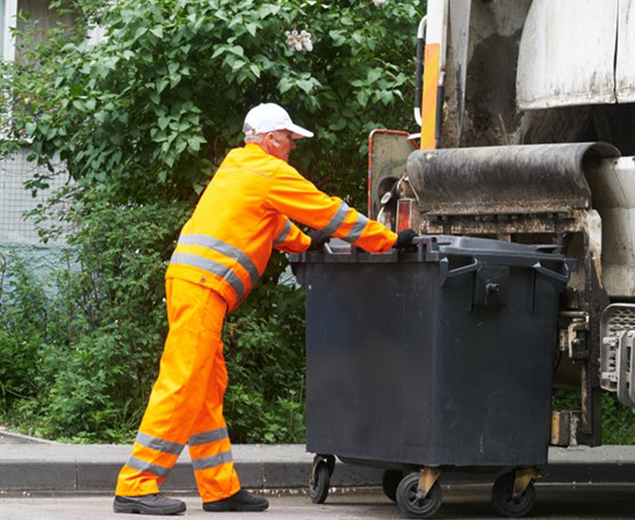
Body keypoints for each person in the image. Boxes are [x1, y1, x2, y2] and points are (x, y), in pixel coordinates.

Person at [113, 103, 416, 515]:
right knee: (182, 383)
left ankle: (219, 489)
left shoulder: (240, 168)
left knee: (205, 389)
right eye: (289, 138)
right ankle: (136, 484)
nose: (293, 146)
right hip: (201, 288)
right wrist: (386, 240)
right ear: (271, 139)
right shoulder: (267, 171)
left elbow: (270, 223)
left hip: (195, 286)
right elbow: (326, 210)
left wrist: (306, 244)